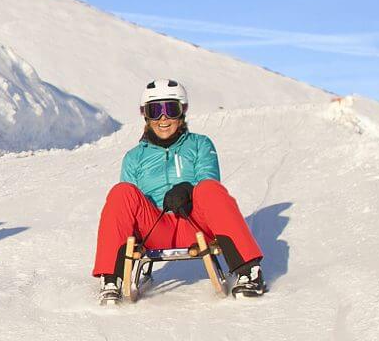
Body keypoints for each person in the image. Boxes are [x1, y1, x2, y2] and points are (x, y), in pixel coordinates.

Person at [94, 79, 267, 303]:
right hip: (155, 228)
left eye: (170, 109)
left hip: (195, 224)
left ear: (182, 111)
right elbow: (125, 210)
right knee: (121, 192)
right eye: (155, 110)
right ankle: (110, 278)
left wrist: (187, 189)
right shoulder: (134, 157)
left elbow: (209, 178)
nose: (163, 118)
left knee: (209, 190)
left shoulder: (200, 144)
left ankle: (249, 271)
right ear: (145, 115)